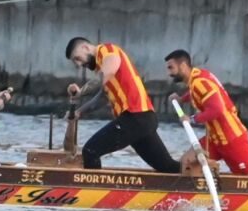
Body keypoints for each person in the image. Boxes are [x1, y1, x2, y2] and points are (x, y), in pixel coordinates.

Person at [63, 37, 181, 172]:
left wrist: (80, 92)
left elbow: (106, 74)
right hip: (142, 120)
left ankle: (94, 191)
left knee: (91, 151)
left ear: (86, 48)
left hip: (135, 117)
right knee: (167, 167)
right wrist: (79, 112)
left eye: (78, 58)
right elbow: (102, 98)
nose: (79, 64)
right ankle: (201, 182)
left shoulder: (108, 50)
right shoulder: (101, 67)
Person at [164, 50, 248, 176]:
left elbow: (217, 109)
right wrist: (181, 99)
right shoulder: (198, 77)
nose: (169, 73)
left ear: (183, 66)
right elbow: (198, 94)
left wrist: (191, 119)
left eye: (171, 68)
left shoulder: (200, 82)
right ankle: (189, 191)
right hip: (214, 139)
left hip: (231, 138)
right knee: (187, 162)